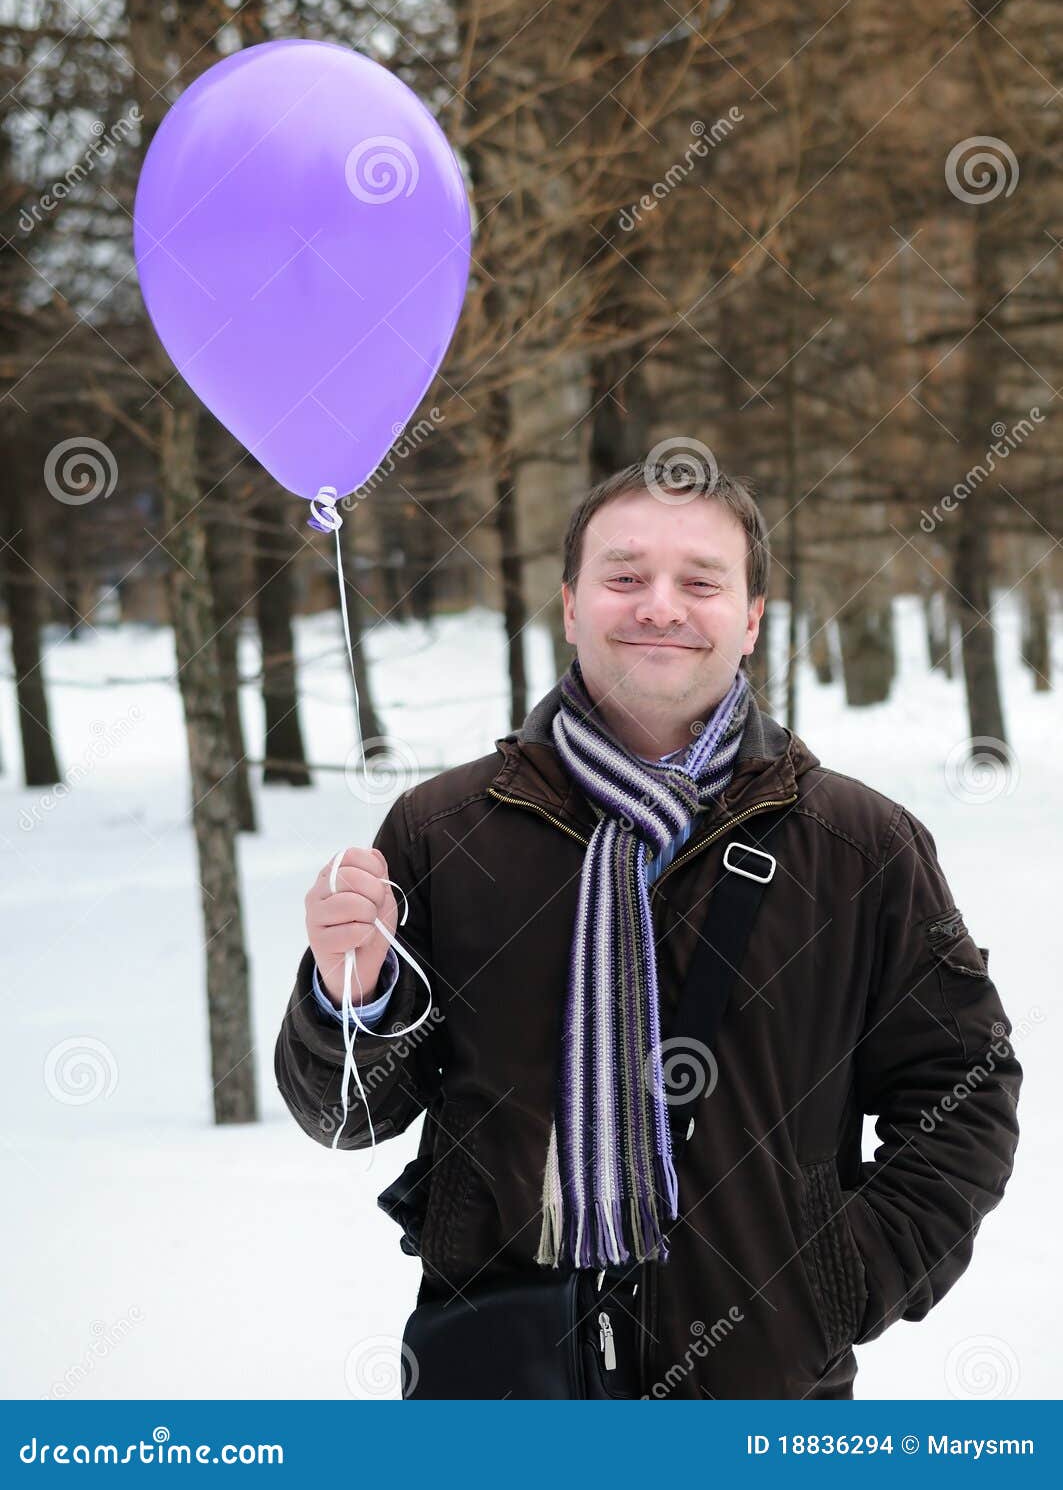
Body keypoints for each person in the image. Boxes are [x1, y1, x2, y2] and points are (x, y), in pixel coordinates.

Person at [275, 457, 1023, 1399]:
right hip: (499, 1382)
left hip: (764, 1391)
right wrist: (353, 993)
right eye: (624, 577)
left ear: (750, 618)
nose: (659, 606)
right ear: (571, 603)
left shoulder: (857, 844)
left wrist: (838, 1285)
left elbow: (963, 1089)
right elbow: (345, 1113)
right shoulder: (444, 830)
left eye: (700, 582)